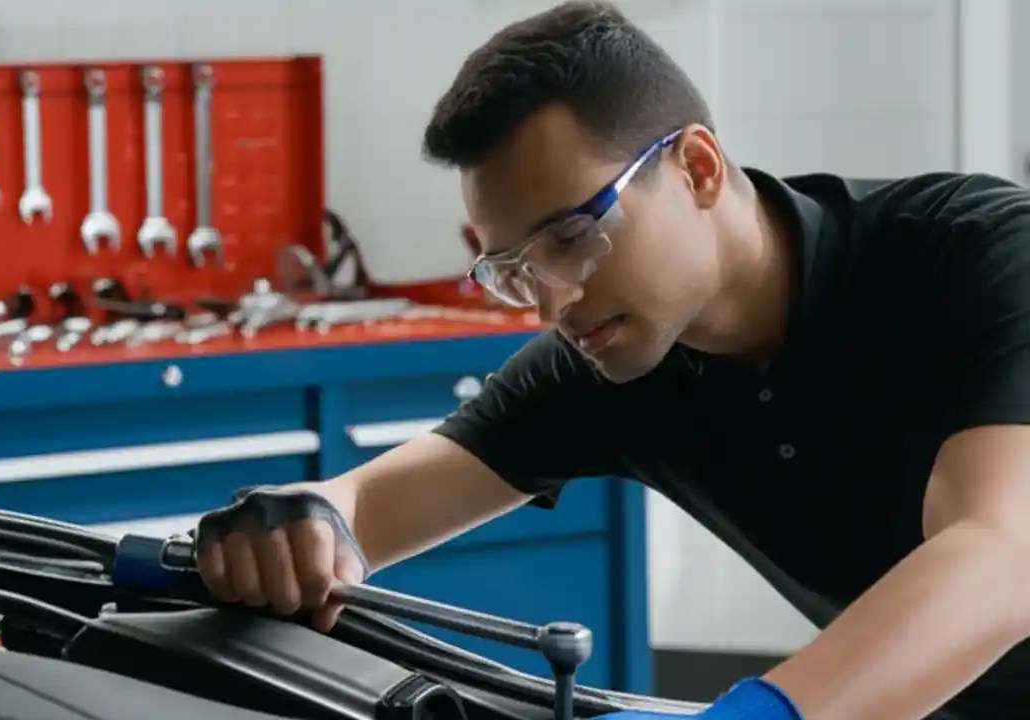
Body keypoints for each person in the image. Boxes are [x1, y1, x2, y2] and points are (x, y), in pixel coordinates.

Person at [190, 2, 1030, 718]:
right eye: (513, 270)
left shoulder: (980, 254)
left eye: (572, 237)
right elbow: (369, 506)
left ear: (696, 167)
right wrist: (306, 518)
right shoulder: (615, 358)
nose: (552, 303)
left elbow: (1003, 552)